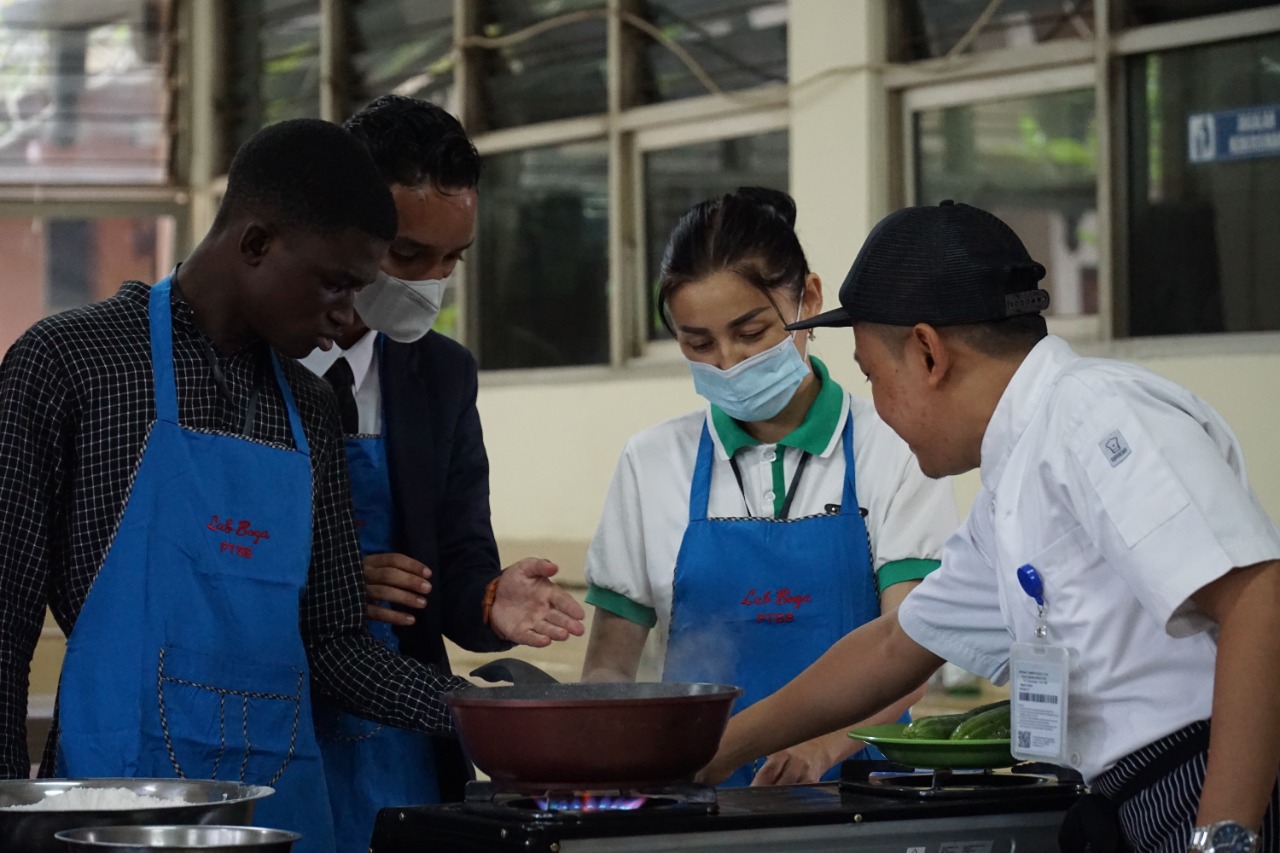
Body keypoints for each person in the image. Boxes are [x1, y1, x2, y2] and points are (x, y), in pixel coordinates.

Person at [698, 200, 1280, 853]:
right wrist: (720, 750)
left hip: (1217, 784)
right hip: (1132, 797)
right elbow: (896, 644)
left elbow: (1259, 598)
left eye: (872, 375)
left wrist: (1223, 836)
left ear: (926, 352)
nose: (879, 407)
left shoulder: (1093, 411)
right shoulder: (1014, 475)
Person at [0, 119, 486, 853]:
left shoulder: (312, 407)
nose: (348, 314)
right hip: (117, 807)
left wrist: (479, 709)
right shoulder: (72, 364)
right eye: (336, 283)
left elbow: (332, 646)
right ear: (257, 243)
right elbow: (2, 633)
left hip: (279, 809)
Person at [579, 187, 959, 787]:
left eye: (751, 332)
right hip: (692, 791)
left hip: (856, 792)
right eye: (698, 343)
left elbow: (911, 648)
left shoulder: (893, 448)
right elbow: (609, 663)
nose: (728, 362)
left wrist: (820, 749)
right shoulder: (651, 462)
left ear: (808, 297)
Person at [299, 94, 585, 848]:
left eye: (452, 260)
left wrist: (491, 599)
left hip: (406, 727)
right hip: (273, 713)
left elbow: (457, 557)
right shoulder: (253, 359)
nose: (430, 282)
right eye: (407, 256)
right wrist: (327, 580)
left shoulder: (443, 374)